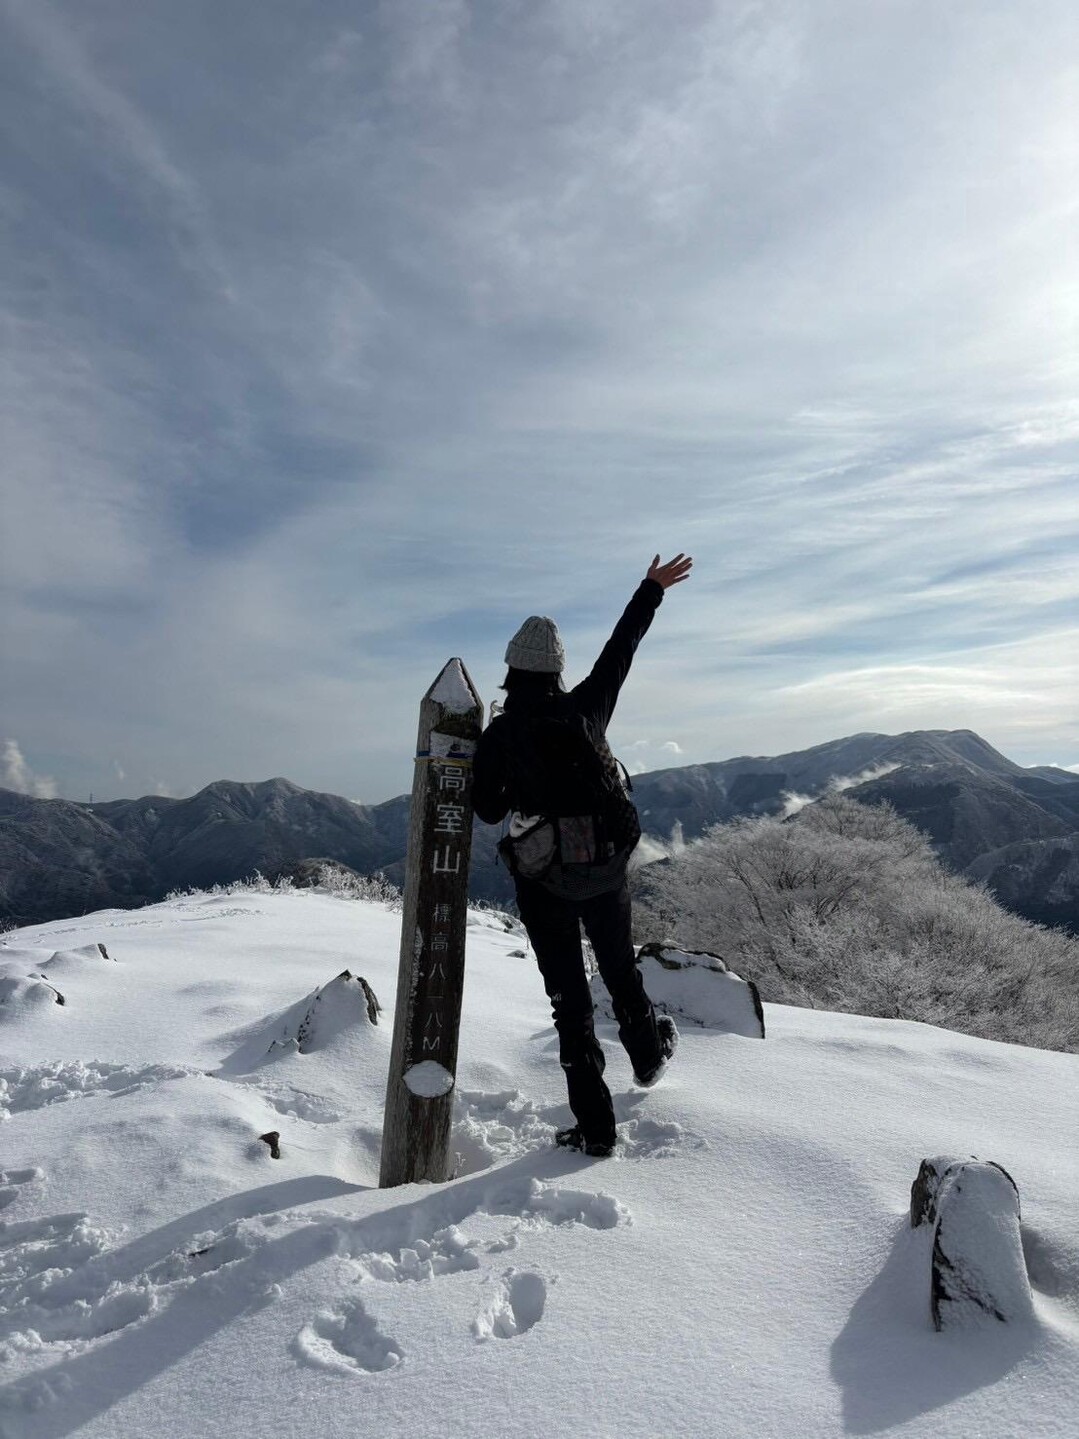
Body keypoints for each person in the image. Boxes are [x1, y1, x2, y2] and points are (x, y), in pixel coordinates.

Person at [472, 554, 693, 1157]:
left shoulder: (501, 734)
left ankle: (596, 1129)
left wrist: (508, 781)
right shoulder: (587, 708)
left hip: (543, 881)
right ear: (557, 670)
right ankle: (647, 1057)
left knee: (569, 1002)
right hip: (604, 871)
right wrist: (650, 589)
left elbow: (487, 811)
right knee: (620, 971)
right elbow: (622, 650)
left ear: (511, 670)